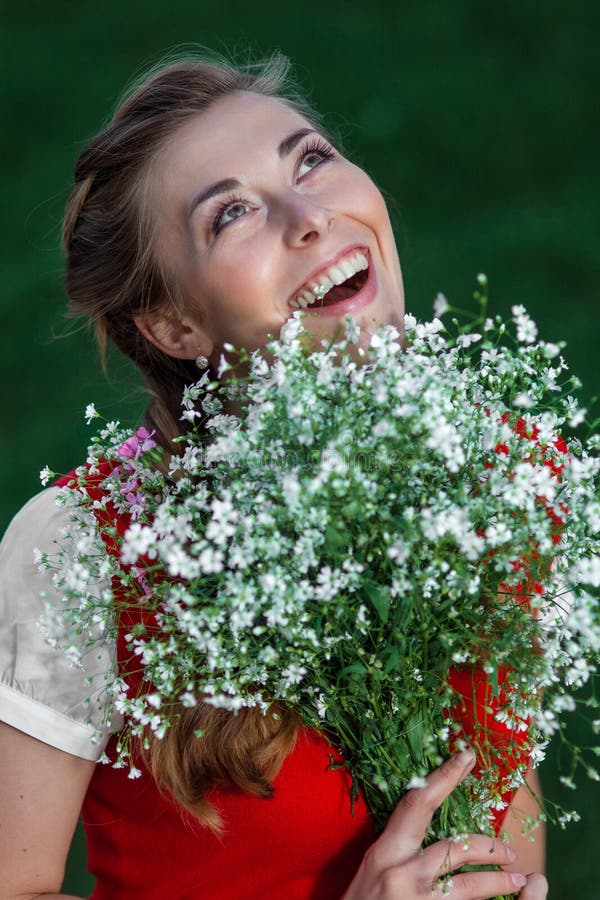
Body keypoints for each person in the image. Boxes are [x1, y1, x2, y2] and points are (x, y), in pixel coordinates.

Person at [0, 53, 548, 899]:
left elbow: (508, 813)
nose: (309, 216)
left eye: (312, 159)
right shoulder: (84, 553)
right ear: (175, 325)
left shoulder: (495, 475)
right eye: (232, 215)